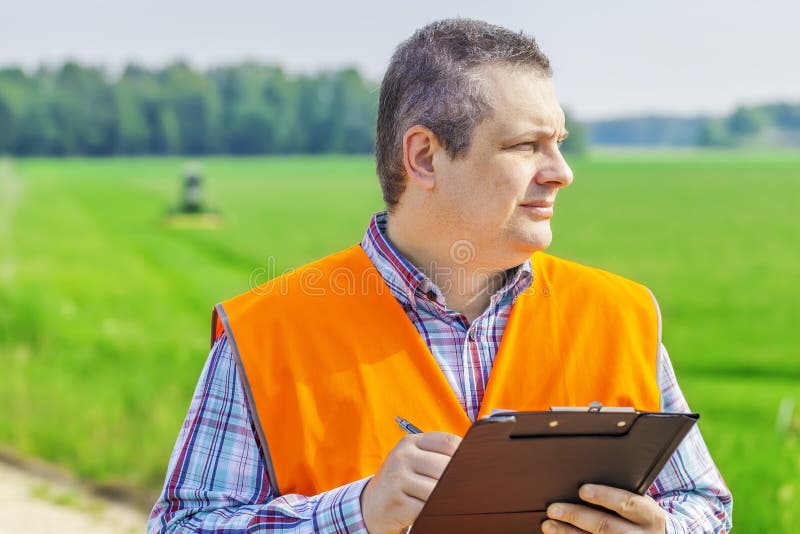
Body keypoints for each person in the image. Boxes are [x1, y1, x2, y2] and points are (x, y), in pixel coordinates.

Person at [149, 18, 732, 533]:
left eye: (558, 143)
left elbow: (706, 506)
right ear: (425, 156)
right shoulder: (267, 333)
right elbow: (182, 527)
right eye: (527, 145)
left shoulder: (619, 314)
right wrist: (358, 516)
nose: (561, 173)